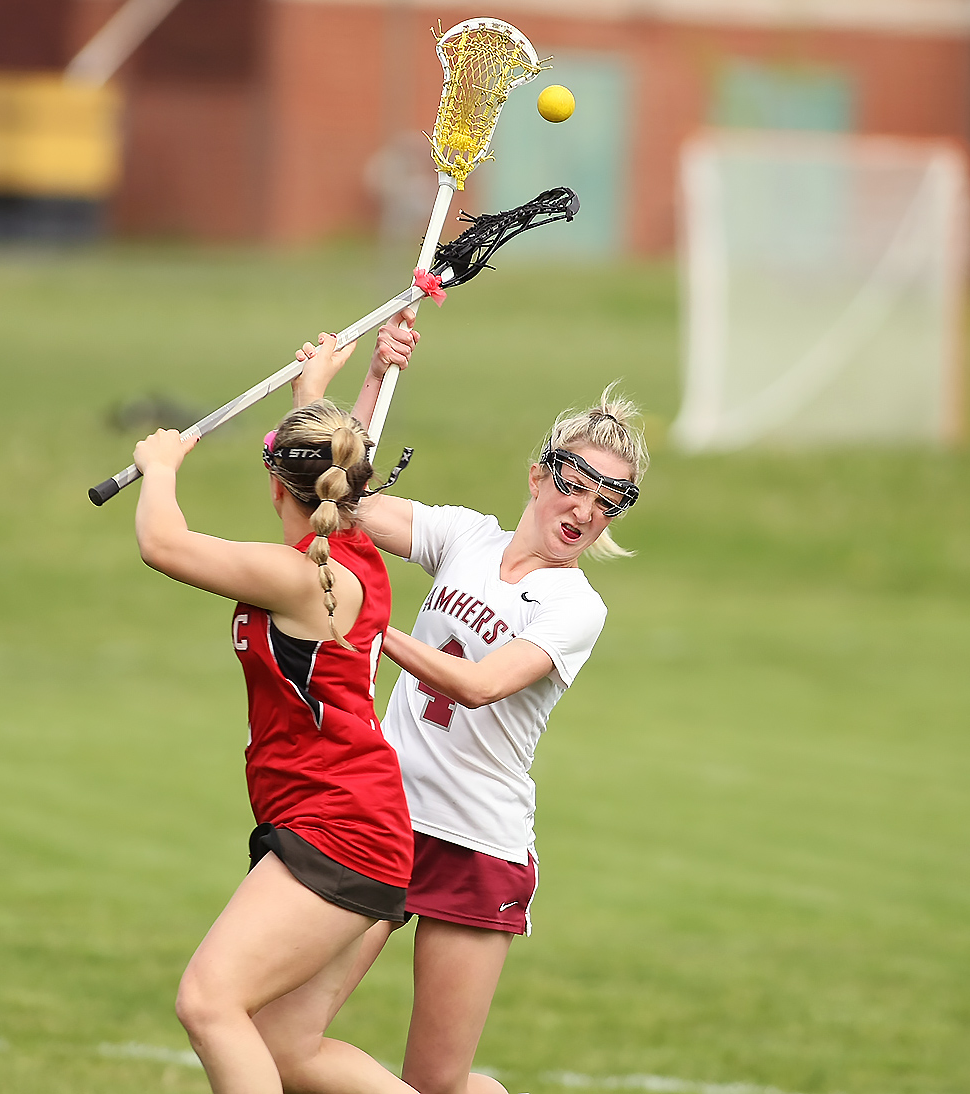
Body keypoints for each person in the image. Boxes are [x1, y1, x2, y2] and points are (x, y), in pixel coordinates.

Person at [291, 317, 649, 1094]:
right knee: (287, 1044)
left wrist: (370, 625)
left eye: (606, 501)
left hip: (477, 846)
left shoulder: (575, 606)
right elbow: (341, 501)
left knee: (437, 1082)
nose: (585, 508)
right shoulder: (466, 539)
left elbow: (480, 685)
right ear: (539, 476)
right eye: (575, 484)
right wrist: (372, 379)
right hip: (386, 819)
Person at [130, 334, 418, 1094]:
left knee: (208, 1001)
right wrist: (314, 391)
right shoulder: (345, 551)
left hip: (342, 827)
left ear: (275, 485)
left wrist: (161, 467)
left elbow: (162, 542)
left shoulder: (295, 578)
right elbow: (329, 464)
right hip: (351, 822)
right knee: (287, 1051)